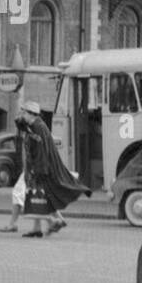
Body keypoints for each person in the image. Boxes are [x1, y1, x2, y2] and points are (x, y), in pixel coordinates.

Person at [12, 97, 90, 238]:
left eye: (24, 112)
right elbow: (20, 126)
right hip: (37, 168)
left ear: (30, 114)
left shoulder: (38, 127)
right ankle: (39, 227)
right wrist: (18, 118)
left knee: (39, 197)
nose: (22, 115)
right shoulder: (33, 125)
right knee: (38, 196)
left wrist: (38, 169)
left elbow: (42, 150)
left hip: (41, 169)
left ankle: (54, 221)